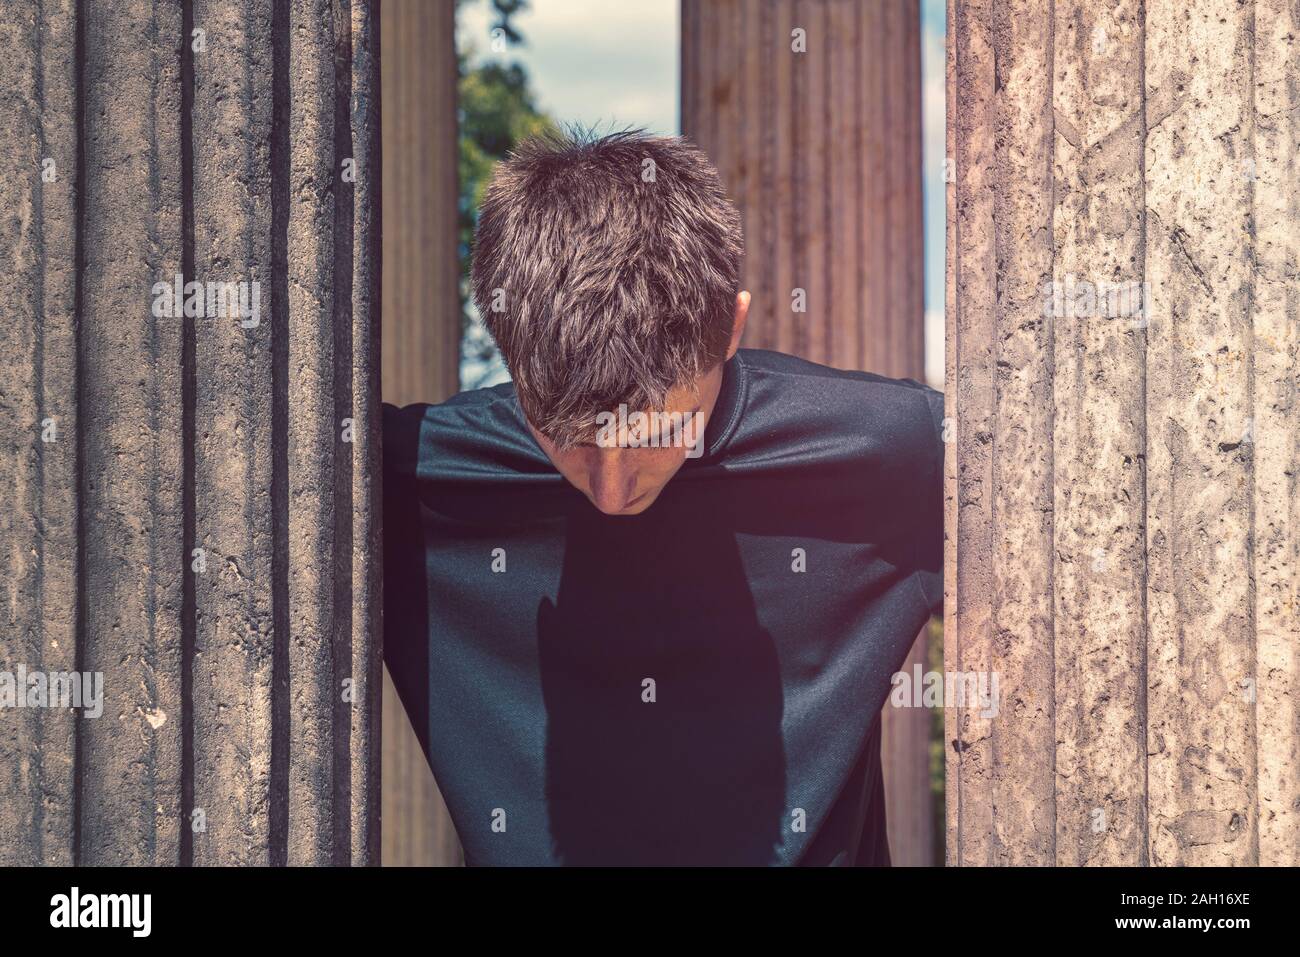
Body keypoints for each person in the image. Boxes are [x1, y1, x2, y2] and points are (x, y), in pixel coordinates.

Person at [382, 127, 943, 866]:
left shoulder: (895, 452)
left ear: (731, 328)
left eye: (655, 432)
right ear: (505, 350)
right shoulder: (397, 478)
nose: (612, 490)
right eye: (566, 437)